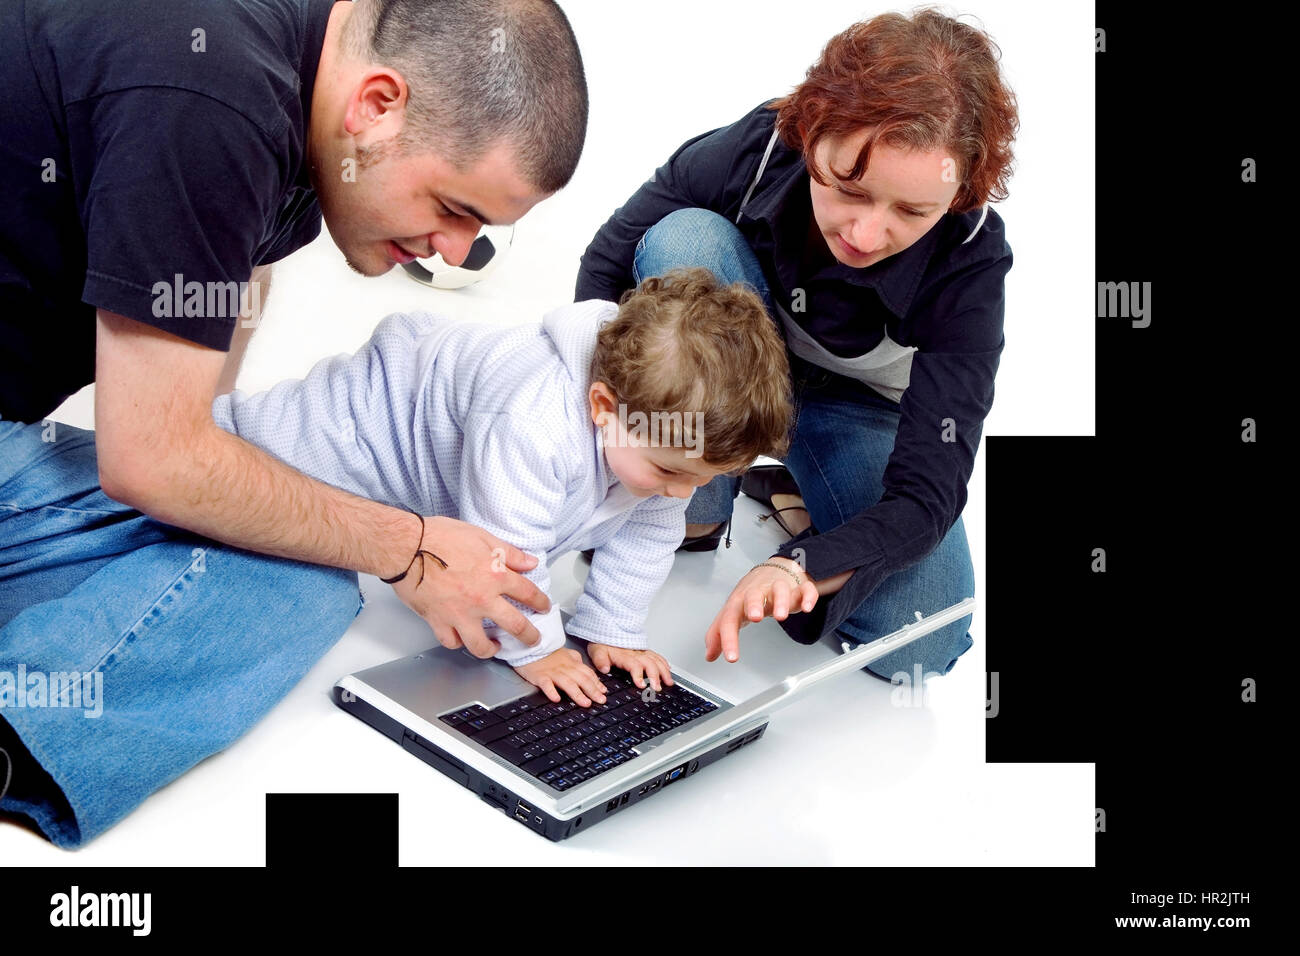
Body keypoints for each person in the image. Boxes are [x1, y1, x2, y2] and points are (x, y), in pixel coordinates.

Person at [0, 0, 586, 848]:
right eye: (456, 209)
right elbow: (151, 459)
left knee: (302, 564)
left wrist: (213, 468)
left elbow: (232, 289)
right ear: (378, 104)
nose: (457, 253)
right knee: (319, 550)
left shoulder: (299, 86)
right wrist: (412, 546)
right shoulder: (213, 97)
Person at [575, 9, 1019, 682]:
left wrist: (802, 564)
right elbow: (608, 271)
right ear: (810, 135)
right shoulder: (757, 148)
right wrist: (580, 428)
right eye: (848, 189)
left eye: (911, 211)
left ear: (958, 193)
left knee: (922, 642)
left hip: (857, 414)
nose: (867, 235)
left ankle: (796, 491)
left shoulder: (972, 261)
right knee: (685, 239)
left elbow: (930, 493)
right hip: (732, 377)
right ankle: (696, 503)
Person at [211, 268, 795, 704]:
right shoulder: (533, 424)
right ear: (602, 407)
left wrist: (611, 628)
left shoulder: (660, 440)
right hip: (347, 431)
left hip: (413, 481)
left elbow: (646, 538)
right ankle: (188, 445)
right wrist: (537, 649)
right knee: (244, 475)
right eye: (670, 472)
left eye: (704, 479)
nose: (679, 494)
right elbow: (504, 552)